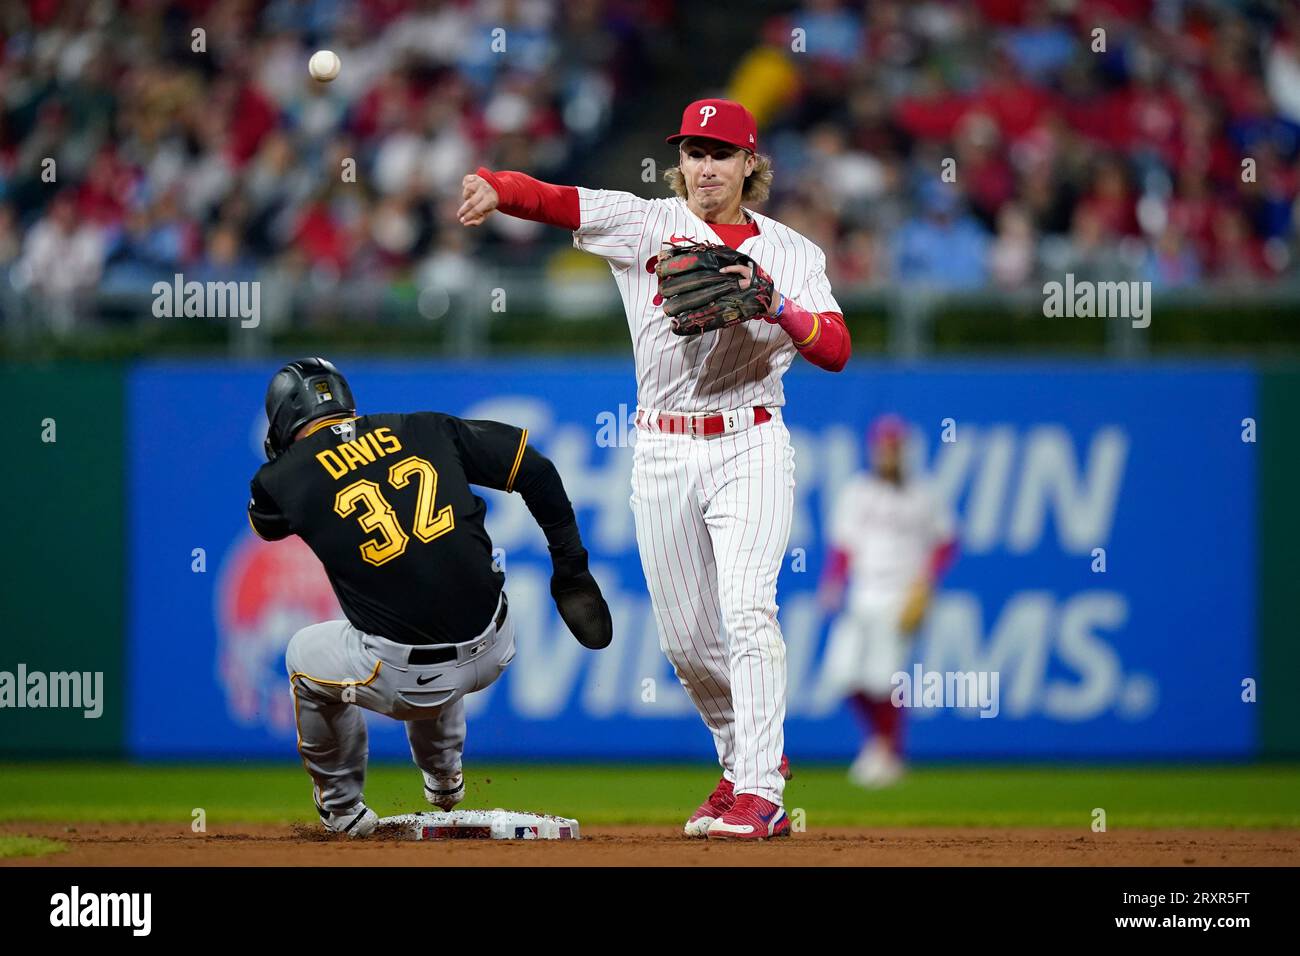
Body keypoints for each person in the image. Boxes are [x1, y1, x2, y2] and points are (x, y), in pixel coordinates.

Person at [457, 98, 851, 839]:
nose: (705, 166)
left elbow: (835, 346)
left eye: (720, 153)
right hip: (662, 447)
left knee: (747, 610)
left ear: (749, 165)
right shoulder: (646, 223)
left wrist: (776, 306)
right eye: (694, 153)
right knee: (685, 641)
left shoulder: (792, 252)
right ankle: (741, 765)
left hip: (750, 440)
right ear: (681, 163)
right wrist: (493, 183)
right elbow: (555, 199)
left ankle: (763, 793)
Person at [247, 358, 611, 837]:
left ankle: (343, 810)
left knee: (303, 656)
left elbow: (267, 525)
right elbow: (535, 470)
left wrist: (297, 464)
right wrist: (571, 568)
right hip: (496, 643)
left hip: (403, 677)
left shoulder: (279, 479)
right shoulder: (424, 427)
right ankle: (444, 778)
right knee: (429, 608)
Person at [820, 414, 958, 788]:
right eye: (884, 447)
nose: (889, 454)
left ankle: (889, 752)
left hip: (902, 596)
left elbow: (946, 543)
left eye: (895, 447)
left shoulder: (924, 493)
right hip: (862, 593)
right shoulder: (858, 491)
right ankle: (883, 745)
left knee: (884, 679)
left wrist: (926, 582)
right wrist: (833, 582)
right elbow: (844, 544)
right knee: (844, 673)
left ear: (905, 450)